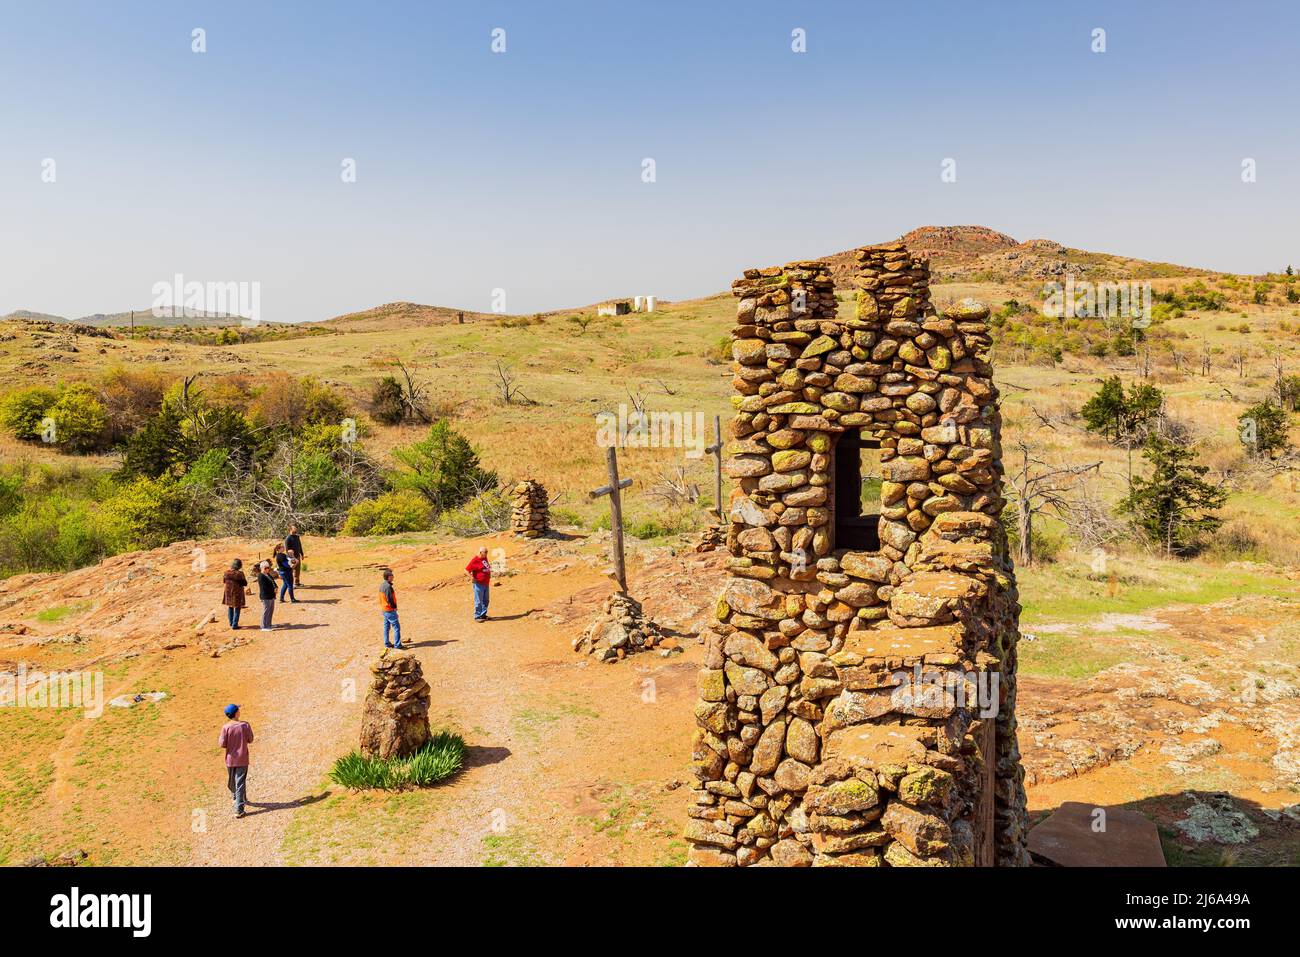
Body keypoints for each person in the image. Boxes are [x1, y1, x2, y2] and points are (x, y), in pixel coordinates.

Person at [218, 704, 253, 818]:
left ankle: (238, 798)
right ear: (236, 713)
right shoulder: (245, 725)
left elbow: (222, 744)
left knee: (233, 781)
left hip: (230, 759)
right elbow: (250, 739)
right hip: (242, 758)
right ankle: (239, 809)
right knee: (240, 782)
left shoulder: (225, 727)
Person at [466, 547, 491, 622]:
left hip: (486, 583)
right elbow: (466, 570)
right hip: (479, 584)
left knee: (486, 600)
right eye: (485, 552)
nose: (486, 553)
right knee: (479, 600)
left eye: (487, 552)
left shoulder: (485, 558)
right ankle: (477, 616)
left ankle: (483, 615)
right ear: (480, 552)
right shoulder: (475, 560)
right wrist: (471, 577)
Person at [222, 559, 248, 630]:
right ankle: (235, 624)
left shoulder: (226, 573)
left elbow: (224, 581)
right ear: (239, 565)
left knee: (230, 607)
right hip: (237, 593)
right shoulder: (239, 574)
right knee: (237, 608)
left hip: (228, 592)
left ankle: (231, 623)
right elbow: (245, 583)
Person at [380, 569, 402, 649]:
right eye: (392, 575)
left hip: (384, 610)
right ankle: (397, 645)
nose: (393, 577)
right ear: (388, 577)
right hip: (389, 610)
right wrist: (394, 608)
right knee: (396, 627)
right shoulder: (388, 587)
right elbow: (390, 599)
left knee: (386, 627)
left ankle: (387, 643)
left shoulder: (382, 585)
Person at [256, 561, 277, 631]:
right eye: (266, 568)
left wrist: (276, 587)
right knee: (266, 611)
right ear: (262, 568)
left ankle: (269, 624)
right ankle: (264, 626)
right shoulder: (261, 576)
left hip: (271, 595)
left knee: (271, 610)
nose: (267, 569)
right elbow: (264, 587)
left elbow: (273, 581)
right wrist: (273, 590)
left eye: (268, 568)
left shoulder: (268, 574)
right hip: (266, 596)